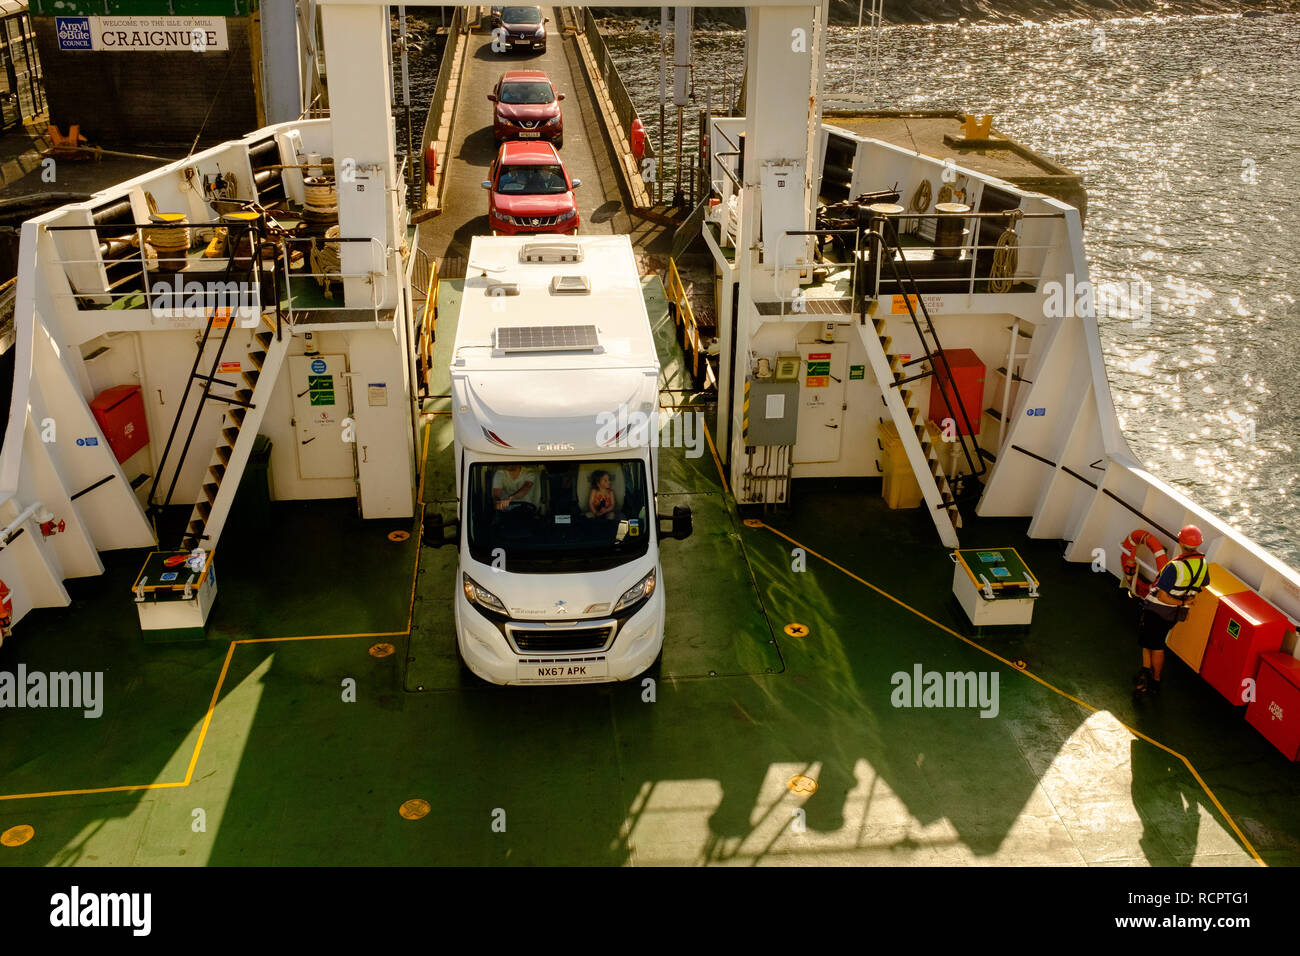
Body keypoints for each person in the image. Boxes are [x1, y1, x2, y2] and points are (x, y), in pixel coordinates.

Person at [1135, 524, 1210, 698]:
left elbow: (1162, 596)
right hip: (1175, 614)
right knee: (1158, 643)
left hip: (1157, 611)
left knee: (1150, 644)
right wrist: (1186, 600)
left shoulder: (1175, 567)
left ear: (1180, 542)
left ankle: (1147, 677)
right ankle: (1155, 680)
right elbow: (1202, 584)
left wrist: (1180, 600)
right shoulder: (1203, 563)